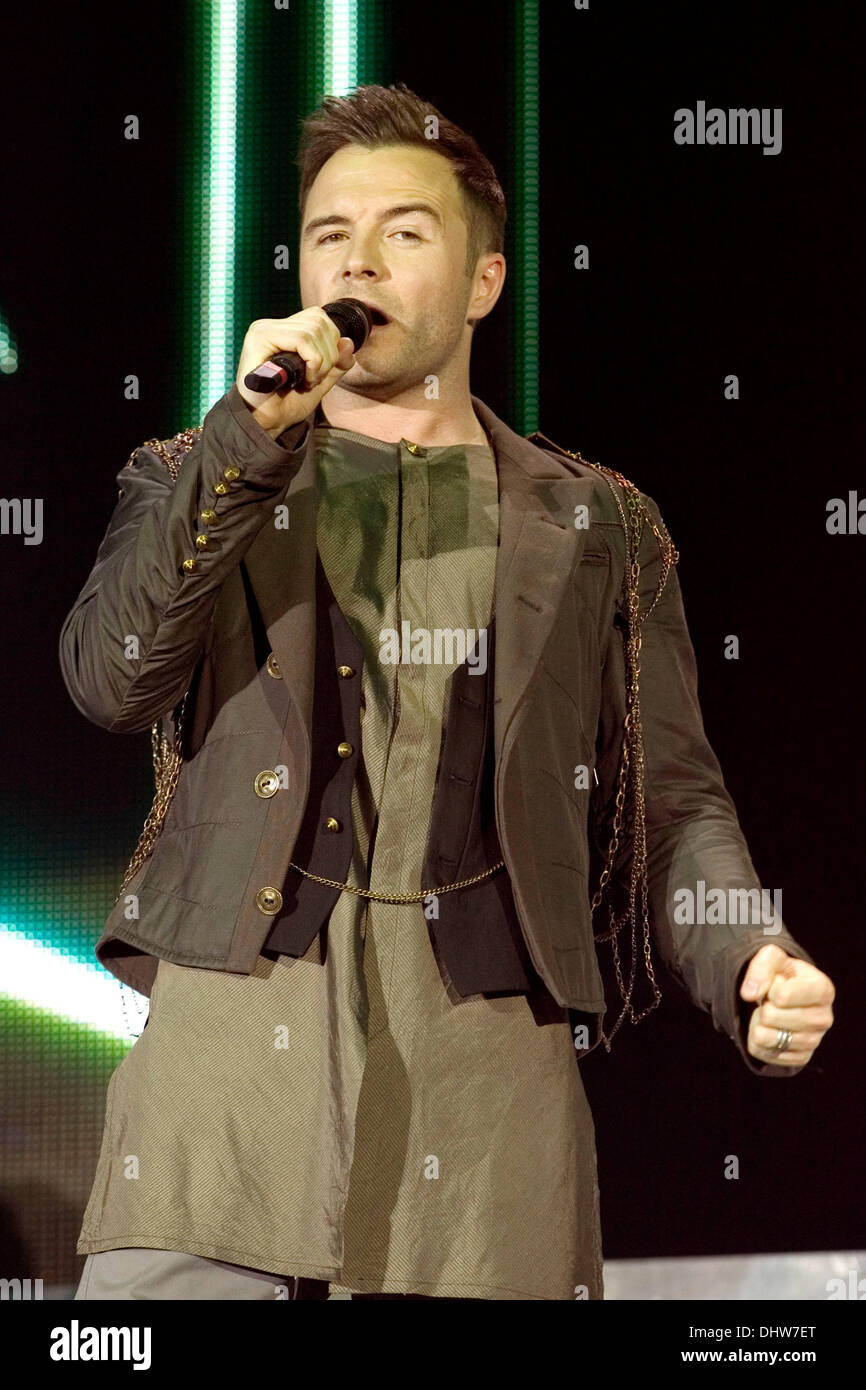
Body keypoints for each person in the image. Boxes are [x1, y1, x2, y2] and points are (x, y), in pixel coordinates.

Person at [60, 83, 834, 1302]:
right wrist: (247, 440)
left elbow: (671, 807)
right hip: (224, 1086)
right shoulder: (197, 473)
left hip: (481, 1106)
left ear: (482, 280)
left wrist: (746, 952)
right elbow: (111, 677)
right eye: (328, 234)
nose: (355, 258)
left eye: (402, 233)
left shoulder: (595, 524)